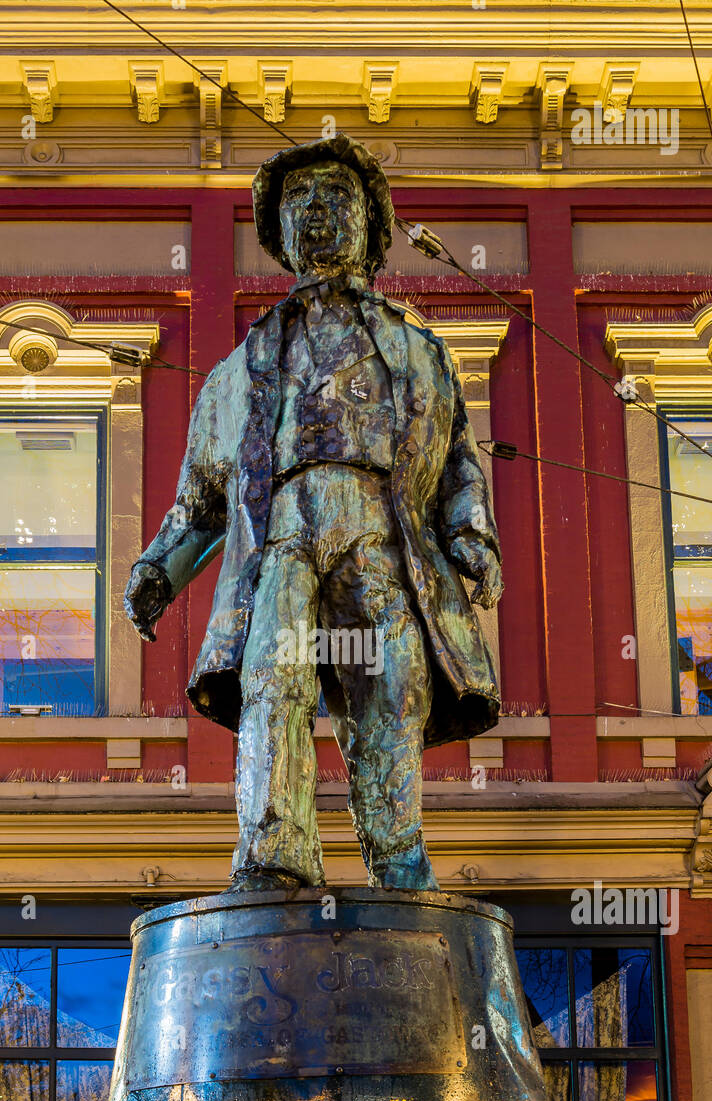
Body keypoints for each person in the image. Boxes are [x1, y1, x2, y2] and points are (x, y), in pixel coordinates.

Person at [124, 133, 502, 892]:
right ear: (278, 236)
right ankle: (275, 855)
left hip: (382, 530)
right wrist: (158, 569)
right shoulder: (242, 366)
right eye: (297, 199)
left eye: (335, 194)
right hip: (283, 535)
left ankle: (399, 863)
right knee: (275, 678)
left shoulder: (420, 352)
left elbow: (457, 461)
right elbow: (202, 497)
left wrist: (469, 537)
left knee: (392, 688)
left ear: (371, 222)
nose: (316, 210)